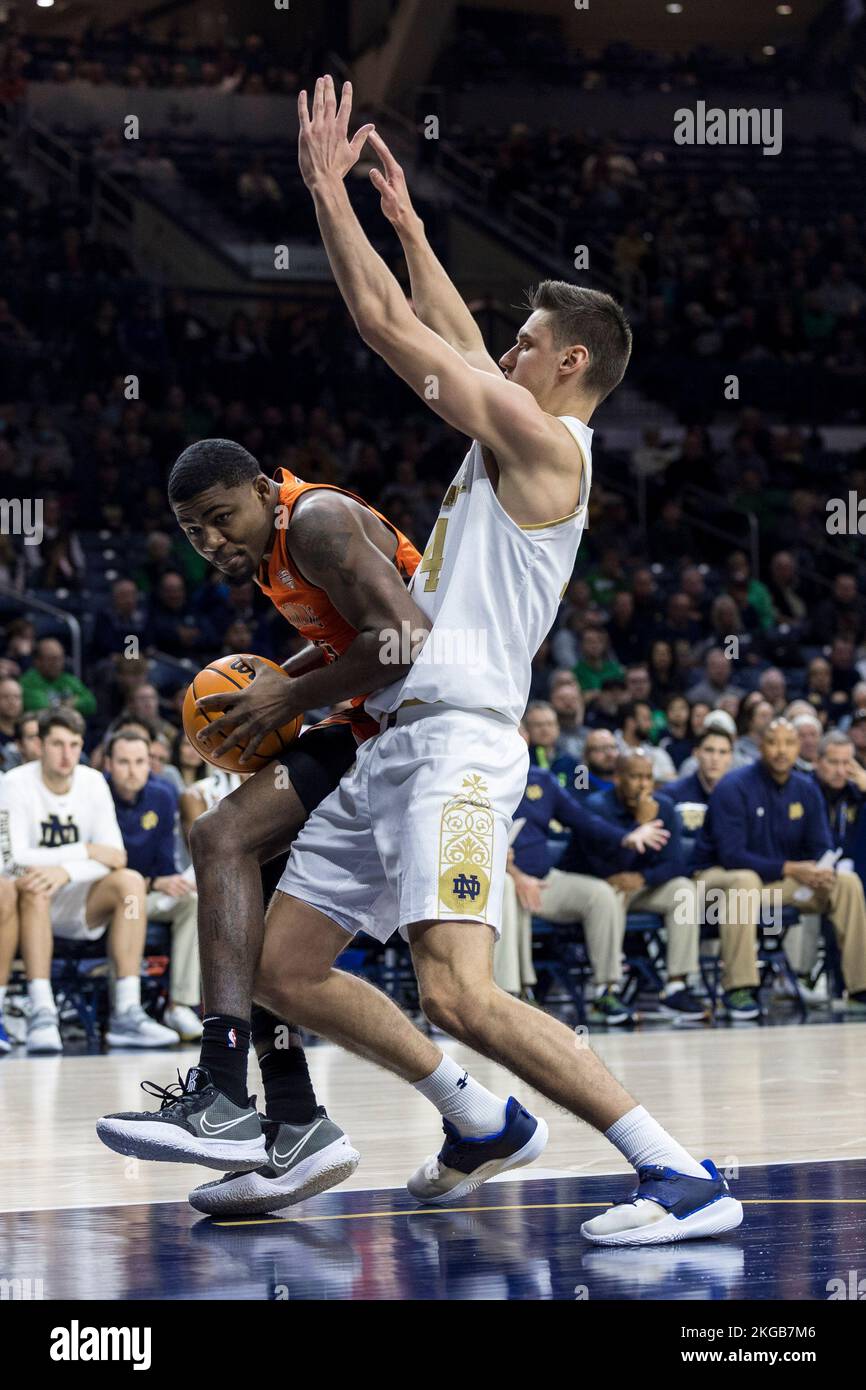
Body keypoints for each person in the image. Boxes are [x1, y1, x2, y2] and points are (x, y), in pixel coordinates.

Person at [97, 433, 439, 1210]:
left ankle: (221, 1090)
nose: (212, 542)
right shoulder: (274, 546)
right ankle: (292, 1119)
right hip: (377, 720)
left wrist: (287, 696)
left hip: (419, 731)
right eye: (194, 532)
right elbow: (359, 643)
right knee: (242, 901)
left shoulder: (313, 521)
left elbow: (406, 638)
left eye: (221, 519)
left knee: (220, 837)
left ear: (260, 489)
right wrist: (288, 678)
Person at [0, 709, 179, 1053]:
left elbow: (115, 855)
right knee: (34, 883)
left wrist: (67, 870)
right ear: (40, 744)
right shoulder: (15, 783)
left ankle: (127, 1011)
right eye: (57, 744)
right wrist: (83, 851)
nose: (66, 754)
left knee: (130, 884)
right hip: (29, 906)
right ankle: (42, 1011)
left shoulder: (93, 781)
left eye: (73, 744)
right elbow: (11, 861)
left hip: (81, 902)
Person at [693, 719, 866, 1014]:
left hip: (777, 884)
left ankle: (859, 988)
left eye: (789, 743)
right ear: (761, 747)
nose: (781, 750)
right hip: (716, 881)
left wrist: (820, 869)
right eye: (774, 742)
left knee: (846, 883)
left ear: (799, 748)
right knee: (744, 881)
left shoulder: (806, 789)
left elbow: (820, 846)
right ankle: (739, 988)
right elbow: (731, 855)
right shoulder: (733, 786)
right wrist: (791, 868)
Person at [499, 755, 669, 1021]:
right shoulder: (480, 778)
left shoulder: (541, 779)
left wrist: (626, 837)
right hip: (500, 880)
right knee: (508, 887)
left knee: (601, 893)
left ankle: (606, 990)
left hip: (545, 880)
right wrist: (515, 873)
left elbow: (583, 820)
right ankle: (512, 993)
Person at [105, 730, 203, 1041]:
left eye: (139, 761)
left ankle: (181, 1004)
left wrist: (171, 881)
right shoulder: (97, 793)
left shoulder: (162, 795)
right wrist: (151, 881)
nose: (132, 770)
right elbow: (101, 864)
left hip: (148, 894)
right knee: (129, 904)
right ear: (108, 764)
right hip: (108, 898)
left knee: (193, 902)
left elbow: (164, 859)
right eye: (123, 762)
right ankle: (124, 1009)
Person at [665, 728, 761, 1020]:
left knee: (744, 882)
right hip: (690, 877)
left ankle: (737, 986)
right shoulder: (672, 794)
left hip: (730, 875)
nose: (715, 759)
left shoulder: (743, 793)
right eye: (709, 751)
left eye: (722, 752)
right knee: (735, 882)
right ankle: (685, 983)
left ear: (732, 757)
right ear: (696, 754)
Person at [19, 637, 97, 718]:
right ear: (38, 661)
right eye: (51, 659)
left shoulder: (68, 679)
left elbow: (91, 703)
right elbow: (42, 707)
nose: (57, 663)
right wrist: (71, 703)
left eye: (60, 658)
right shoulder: (28, 681)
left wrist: (62, 704)